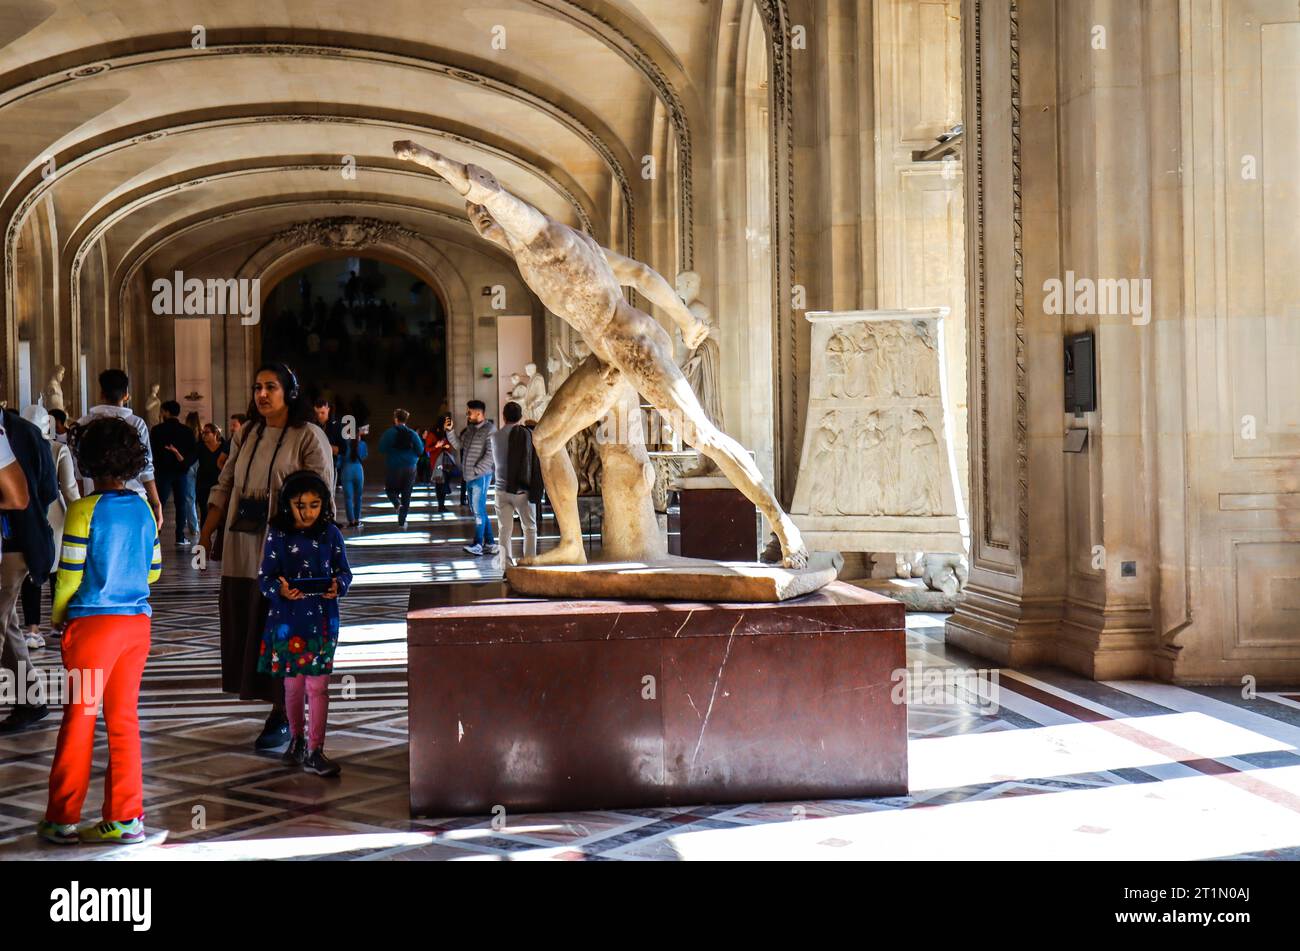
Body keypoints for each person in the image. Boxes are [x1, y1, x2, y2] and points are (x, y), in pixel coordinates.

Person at [37, 416, 162, 845]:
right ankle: (127, 817)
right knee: (124, 720)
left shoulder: (83, 510)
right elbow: (156, 570)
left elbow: (69, 576)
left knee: (79, 719)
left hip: (92, 627)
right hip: (137, 626)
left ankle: (62, 817)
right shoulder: (145, 508)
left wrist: (57, 616)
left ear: (88, 460)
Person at [199, 363, 334, 753]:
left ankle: (284, 716)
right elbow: (225, 485)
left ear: (289, 392)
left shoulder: (309, 436)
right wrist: (206, 533)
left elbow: (320, 497)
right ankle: (277, 708)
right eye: (257, 387)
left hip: (286, 554)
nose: (262, 394)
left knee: (284, 634)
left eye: (271, 387)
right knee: (252, 627)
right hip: (243, 551)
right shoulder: (247, 435)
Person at [256, 470, 352, 777]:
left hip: (322, 623)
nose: (308, 511)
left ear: (324, 504)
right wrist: (280, 589)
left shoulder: (331, 534)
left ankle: (315, 749)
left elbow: (345, 572)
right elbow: (265, 578)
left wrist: (339, 585)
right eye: (301, 504)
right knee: (293, 686)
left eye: (314, 504)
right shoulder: (278, 534)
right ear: (287, 504)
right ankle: (296, 739)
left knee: (318, 687)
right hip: (286, 622)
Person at [0, 406, 56, 733]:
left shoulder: (15, 433)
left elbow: (24, 496)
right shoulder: (28, 432)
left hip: (11, 546)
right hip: (25, 538)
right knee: (7, 625)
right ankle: (30, 700)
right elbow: (48, 490)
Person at [19, 405, 79, 650]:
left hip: (26, 515)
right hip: (56, 518)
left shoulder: (14, 450)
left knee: (31, 574)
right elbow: (70, 489)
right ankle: (58, 625)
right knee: (58, 574)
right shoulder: (58, 449)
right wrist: (84, 516)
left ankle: (32, 629)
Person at [78, 369, 163, 530]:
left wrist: (82, 500)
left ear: (102, 393)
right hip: (134, 496)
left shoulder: (84, 424)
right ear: (126, 395)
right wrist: (156, 503)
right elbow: (146, 468)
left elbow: (78, 469)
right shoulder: (136, 423)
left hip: (95, 499)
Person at [491, 401, 541, 566]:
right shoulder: (528, 435)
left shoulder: (494, 437)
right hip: (522, 491)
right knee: (529, 528)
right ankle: (528, 562)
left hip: (501, 490)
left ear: (503, 417)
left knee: (504, 531)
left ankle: (506, 566)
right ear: (521, 417)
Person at [149, 400, 197, 547]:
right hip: (181, 472)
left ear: (166, 412)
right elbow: (194, 452)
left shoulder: (157, 430)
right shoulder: (187, 431)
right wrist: (184, 464)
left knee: (159, 503)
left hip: (162, 472)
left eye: (162, 411)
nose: (160, 414)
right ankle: (180, 536)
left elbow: (151, 452)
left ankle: (155, 534)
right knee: (181, 504)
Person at [456, 400, 497, 556]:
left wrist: (475, 470)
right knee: (478, 509)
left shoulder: (490, 430)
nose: (467, 414)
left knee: (478, 511)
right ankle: (491, 544)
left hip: (481, 476)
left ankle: (478, 544)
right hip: (470, 476)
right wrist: (450, 431)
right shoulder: (470, 430)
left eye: (469, 412)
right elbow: (459, 445)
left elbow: (490, 455)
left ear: (479, 413)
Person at [377, 409, 424, 530]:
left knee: (390, 490)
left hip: (394, 466)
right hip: (410, 466)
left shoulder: (389, 433)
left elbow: (381, 449)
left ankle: (397, 504)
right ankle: (402, 521)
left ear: (395, 419)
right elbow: (420, 450)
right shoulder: (412, 433)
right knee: (407, 493)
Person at [194, 422, 228, 517]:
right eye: (203, 433)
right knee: (204, 512)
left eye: (206, 432)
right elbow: (189, 460)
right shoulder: (200, 447)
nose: (203, 435)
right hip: (203, 483)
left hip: (219, 482)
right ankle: (204, 531)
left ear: (215, 434)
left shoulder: (224, 447)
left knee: (221, 512)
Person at [338, 424, 368, 529]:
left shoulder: (343, 445)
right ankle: (357, 519)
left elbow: (339, 462)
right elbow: (364, 456)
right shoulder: (362, 444)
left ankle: (351, 521)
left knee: (348, 498)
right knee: (358, 497)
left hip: (346, 470)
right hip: (358, 470)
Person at [427, 416, 458, 513]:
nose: (448, 423)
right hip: (437, 463)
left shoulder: (446, 433)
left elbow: (451, 446)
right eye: (446, 422)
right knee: (439, 484)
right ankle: (441, 505)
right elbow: (427, 449)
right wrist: (437, 446)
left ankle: (442, 504)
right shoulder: (432, 434)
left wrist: (446, 446)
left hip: (446, 462)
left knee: (444, 483)